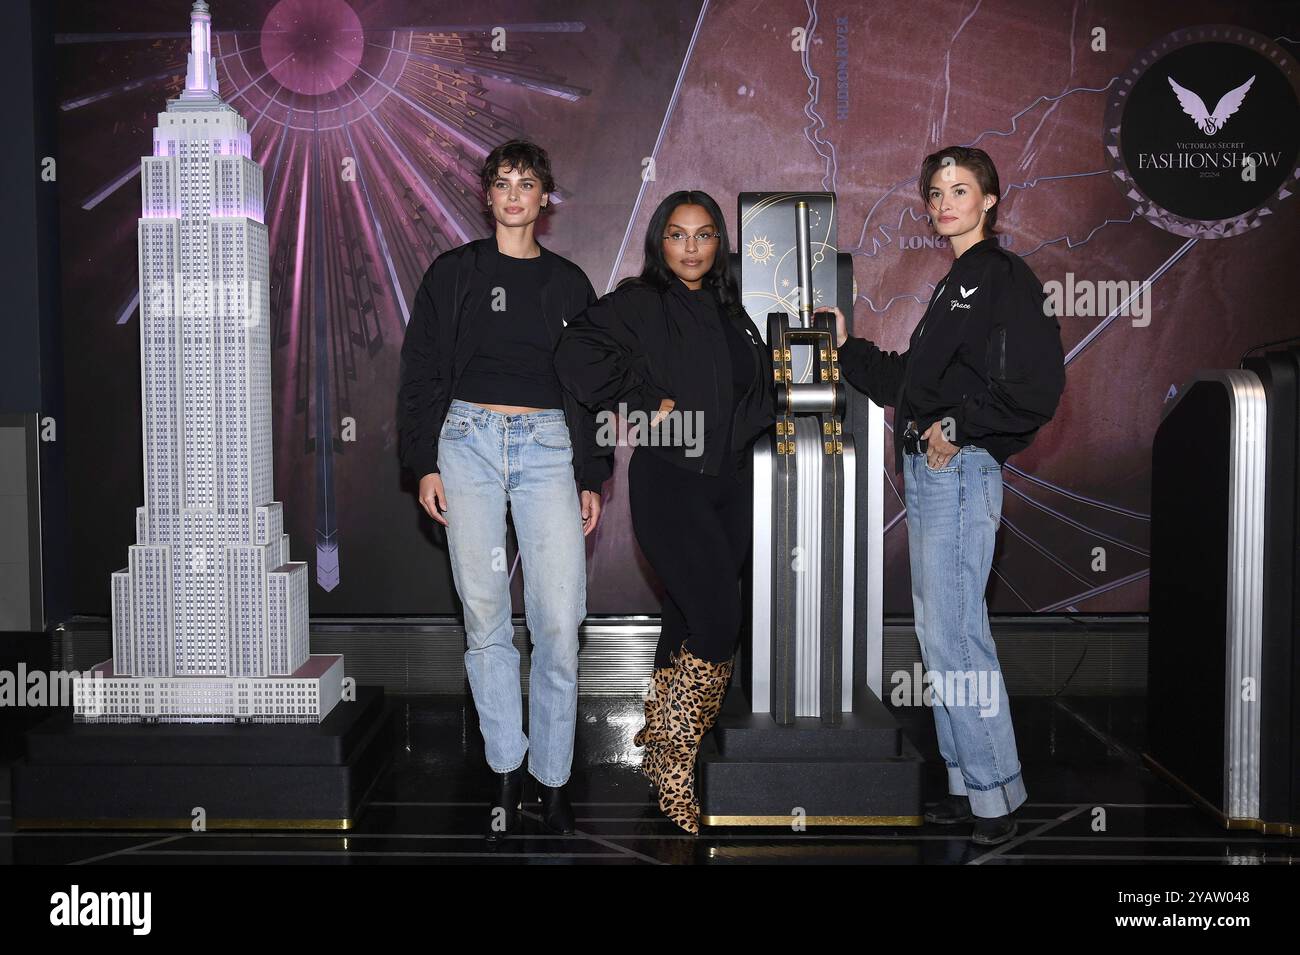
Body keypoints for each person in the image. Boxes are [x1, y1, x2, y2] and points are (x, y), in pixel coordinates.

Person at [817, 145, 1064, 846]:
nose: (944, 200)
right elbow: (908, 386)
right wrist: (846, 348)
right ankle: (972, 783)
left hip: (960, 475)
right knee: (943, 635)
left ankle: (996, 797)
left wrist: (961, 425)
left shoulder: (1002, 276)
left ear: (989, 199)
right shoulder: (960, 281)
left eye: (960, 188)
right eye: (935, 191)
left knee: (957, 637)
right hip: (934, 478)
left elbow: (1038, 385)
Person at [396, 140, 611, 844]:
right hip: (466, 444)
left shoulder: (570, 284)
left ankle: (551, 781)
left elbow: (593, 384)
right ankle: (506, 770)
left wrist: (591, 471)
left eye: (528, 183)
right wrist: (423, 460)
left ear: (545, 197)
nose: (515, 193)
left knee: (557, 616)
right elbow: (423, 367)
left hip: (550, 447)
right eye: (503, 183)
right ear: (487, 195)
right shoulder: (453, 274)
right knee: (485, 613)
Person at [554, 191, 775, 833]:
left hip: (731, 486)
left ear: (719, 244)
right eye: (677, 235)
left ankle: (660, 753)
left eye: (704, 235)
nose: (691, 247)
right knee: (717, 620)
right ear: (659, 241)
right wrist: (643, 396)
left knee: (683, 620)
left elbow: (752, 391)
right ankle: (672, 758)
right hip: (670, 483)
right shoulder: (640, 302)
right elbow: (576, 354)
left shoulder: (734, 312)